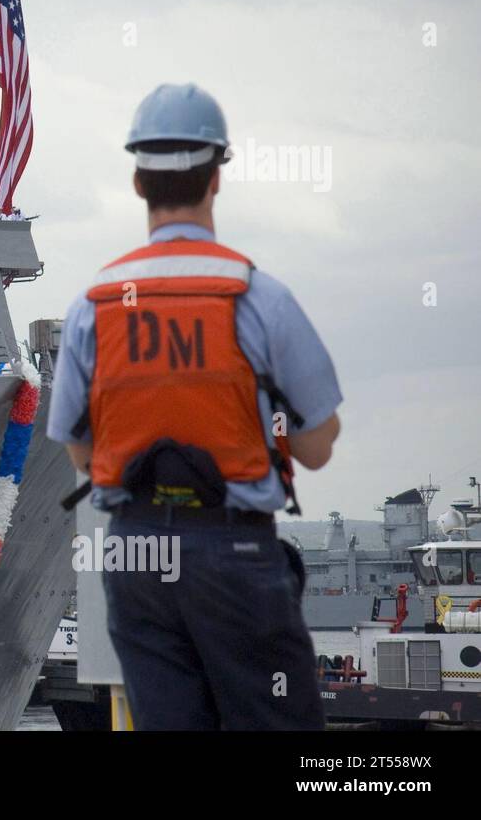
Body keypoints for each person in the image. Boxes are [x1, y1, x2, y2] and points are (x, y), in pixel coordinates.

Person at [45, 83, 341, 731]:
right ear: (217, 177)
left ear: (135, 181)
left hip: (136, 559)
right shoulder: (261, 298)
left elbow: (77, 447)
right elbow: (317, 449)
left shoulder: (92, 305)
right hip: (233, 552)